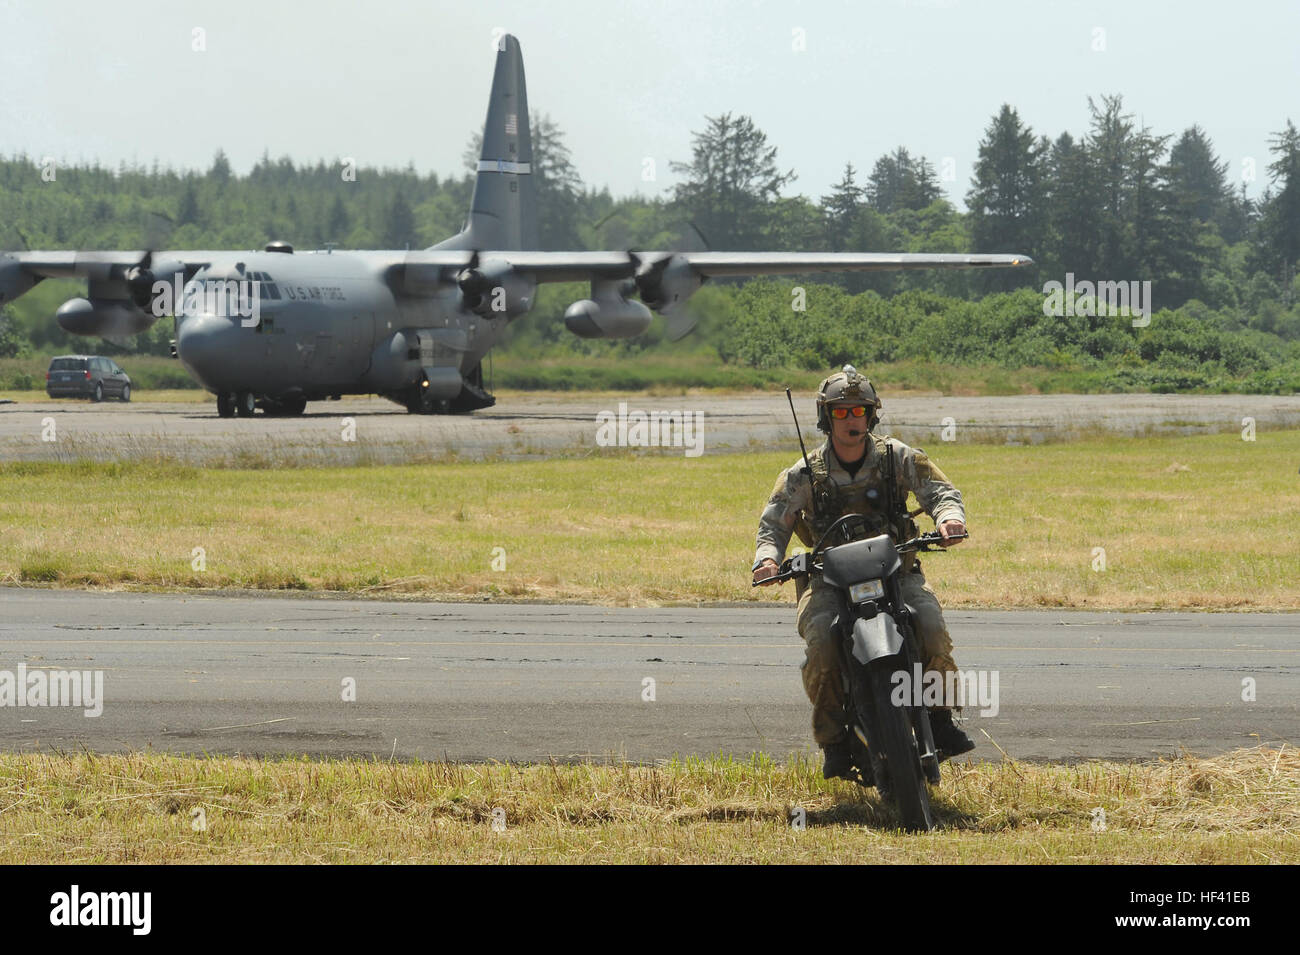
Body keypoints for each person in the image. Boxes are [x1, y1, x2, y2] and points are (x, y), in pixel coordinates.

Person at [752, 365, 975, 780]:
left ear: (871, 415)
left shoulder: (897, 457)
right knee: (822, 643)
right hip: (829, 580)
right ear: (825, 418)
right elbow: (774, 524)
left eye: (859, 411)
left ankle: (941, 718)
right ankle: (834, 742)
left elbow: (940, 492)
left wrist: (948, 519)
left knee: (929, 628)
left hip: (896, 571)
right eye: (841, 413)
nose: (851, 420)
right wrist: (767, 558)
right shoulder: (802, 473)